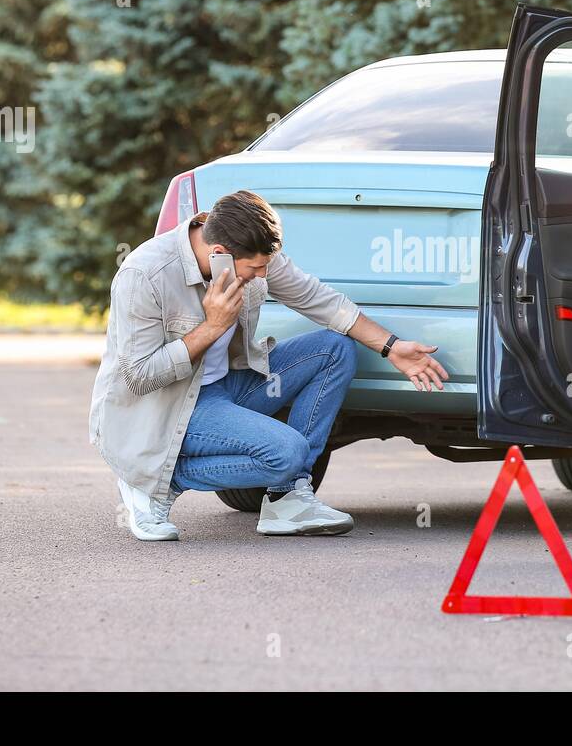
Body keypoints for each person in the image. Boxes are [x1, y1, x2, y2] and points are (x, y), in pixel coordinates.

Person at [90, 189, 449, 541]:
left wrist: (391, 346)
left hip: (226, 388)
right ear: (219, 254)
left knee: (334, 348)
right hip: (165, 410)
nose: (264, 276)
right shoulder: (146, 275)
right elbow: (138, 377)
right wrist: (211, 327)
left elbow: (316, 298)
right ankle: (151, 480)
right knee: (287, 452)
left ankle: (286, 499)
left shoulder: (248, 252)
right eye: (256, 269)